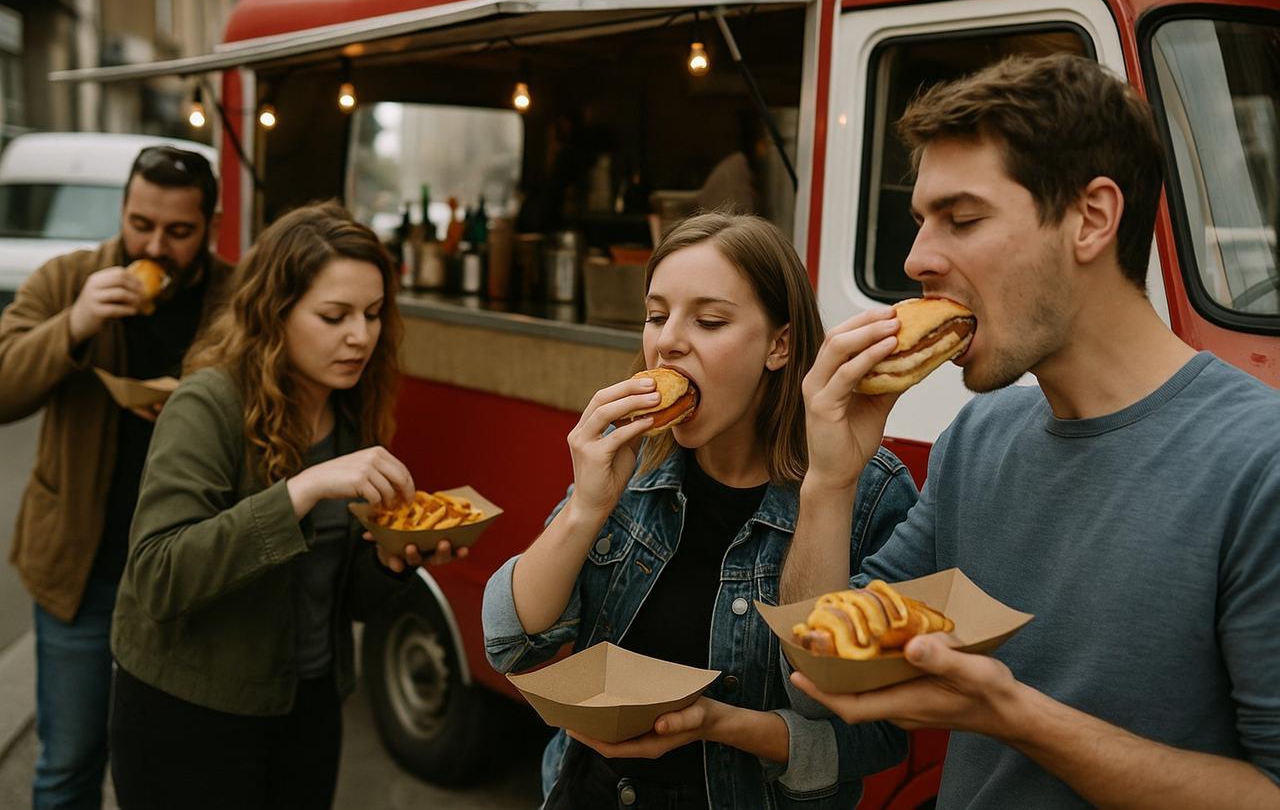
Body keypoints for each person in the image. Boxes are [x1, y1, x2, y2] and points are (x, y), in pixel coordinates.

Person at [780, 53, 1280, 807]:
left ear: (1092, 218)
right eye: (921, 221)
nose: (917, 258)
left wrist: (1013, 716)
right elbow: (820, 679)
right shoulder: (977, 438)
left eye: (962, 218)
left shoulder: (1258, 462)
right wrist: (830, 479)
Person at [482, 212, 916, 810]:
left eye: (709, 320)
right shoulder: (633, 463)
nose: (667, 341)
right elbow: (510, 642)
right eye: (657, 315)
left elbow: (867, 729)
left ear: (779, 344)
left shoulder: (867, 490)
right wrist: (587, 504)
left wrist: (718, 723)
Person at [106, 202, 460, 809]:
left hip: (308, 704)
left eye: (374, 314)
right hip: (192, 718)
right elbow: (158, 575)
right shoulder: (209, 403)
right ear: (274, 313)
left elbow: (339, 598)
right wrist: (302, 489)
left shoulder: (350, 410)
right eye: (334, 315)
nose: (361, 336)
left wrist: (392, 564)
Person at [0, 144, 230, 809]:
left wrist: (199, 410)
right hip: (83, 570)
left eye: (178, 231)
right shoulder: (68, 278)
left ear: (210, 227)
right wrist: (74, 324)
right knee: (69, 762)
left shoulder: (234, 296)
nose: (153, 245)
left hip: (189, 583)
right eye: (139, 223)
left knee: (168, 772)